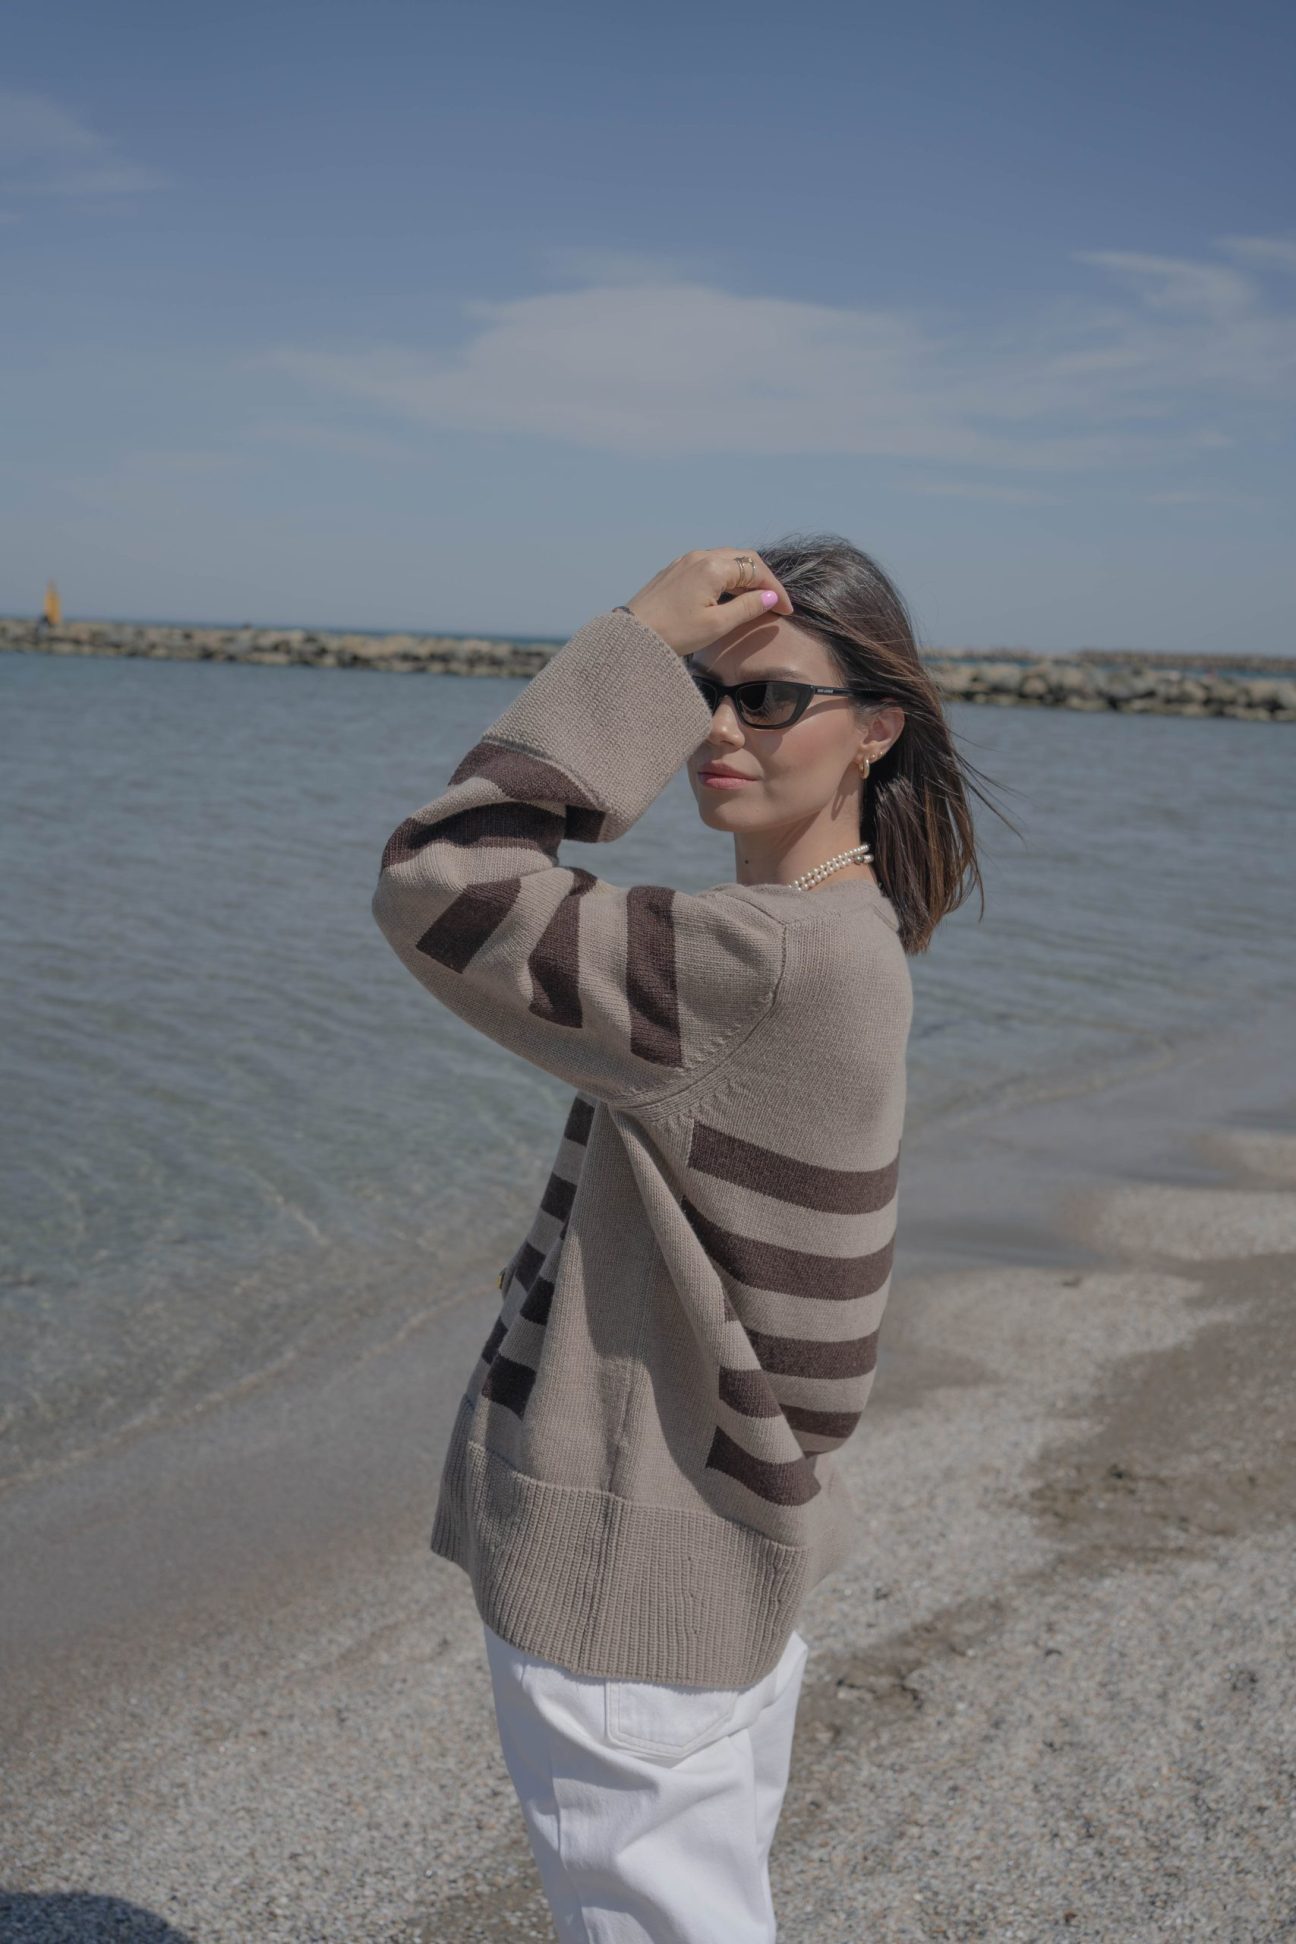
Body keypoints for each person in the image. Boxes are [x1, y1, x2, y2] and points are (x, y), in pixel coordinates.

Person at [371, 537, 1008, 1941]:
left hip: (642, 1568)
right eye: (706, 694)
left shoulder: (770, 959)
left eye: (765, 699)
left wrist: (632, 651)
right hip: (722, 1536)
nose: (719, 730)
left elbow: (439, 881)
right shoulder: (846, 931)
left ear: (877, 728)